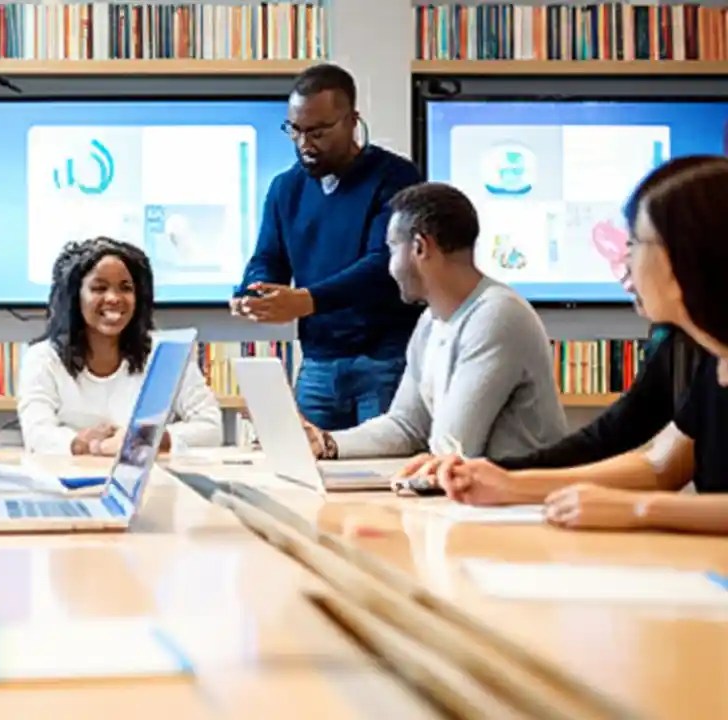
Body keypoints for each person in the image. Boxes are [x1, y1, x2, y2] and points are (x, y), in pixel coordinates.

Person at [436, 158, 728, 534]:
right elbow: (660, 466)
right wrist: (507, 484)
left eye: (635, 243)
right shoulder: (712, 359)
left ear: (685, 255)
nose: (624, 261)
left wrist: (640, 509)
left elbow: (653, 485)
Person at [298, 182, 566, 461]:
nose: (389, 266)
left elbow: (455, 448)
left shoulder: (498, 315)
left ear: (420, 247)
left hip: (519, 499)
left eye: (391, 249)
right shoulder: (430, 321)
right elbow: (405, 426)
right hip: (469, 495)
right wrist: (326, 443)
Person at [232, 63, 422, 432]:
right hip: (317, 362)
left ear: (352, 121)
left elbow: (384, 264)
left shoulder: (396, 177)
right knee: (309, 470)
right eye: (296, 130)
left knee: (384, 474)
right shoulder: (285, 187)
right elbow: (268, 258)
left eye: (318, 132)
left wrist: (307, 300)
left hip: (385, 360)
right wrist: (252, 292)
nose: (305, 144)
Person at [17, 237, 222, 455]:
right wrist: (83, 443)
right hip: (71, 482)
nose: (114, 298)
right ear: (74, 297)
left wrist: (150, 437)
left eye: (125, 288)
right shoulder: (42, 357)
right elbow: (36, 434)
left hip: (150, 485)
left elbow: (211, 428)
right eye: (99, 288)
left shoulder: (166, 353)